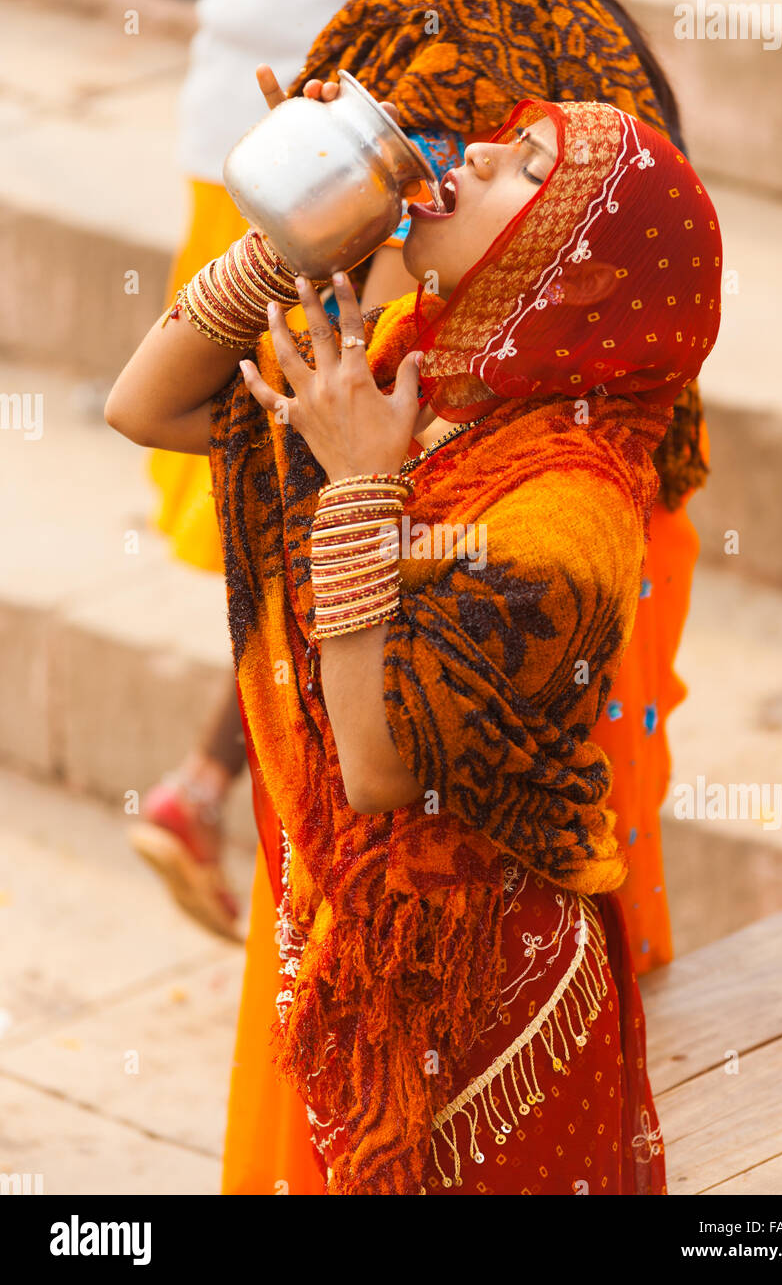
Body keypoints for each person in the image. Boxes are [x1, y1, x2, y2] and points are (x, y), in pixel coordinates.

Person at [105, 88, 723, 1193]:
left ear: (566, 264)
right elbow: (144, 407)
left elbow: (382, 764)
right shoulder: (422, 384)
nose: (477, 155)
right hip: (367, 956)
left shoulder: (569, 511)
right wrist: (283, 245)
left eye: (523, 167)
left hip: (495, 1012)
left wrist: (355, 489)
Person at [115, 0, 355, 939]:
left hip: (228, 136)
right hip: (329, 170)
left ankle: (210, 784)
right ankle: (217, 782)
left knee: (293, 484)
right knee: (307, 484)